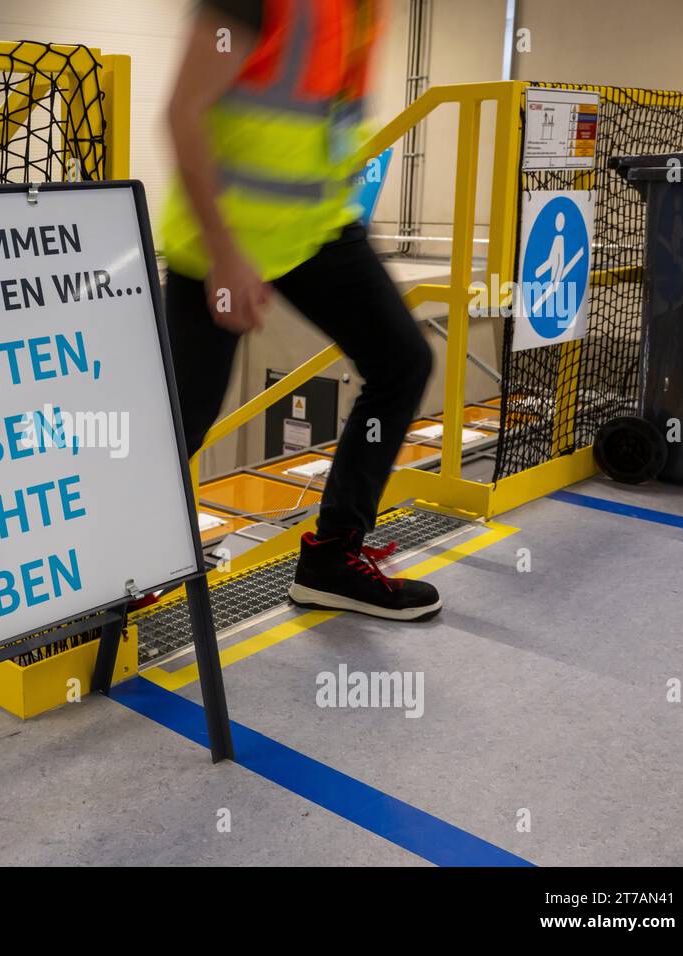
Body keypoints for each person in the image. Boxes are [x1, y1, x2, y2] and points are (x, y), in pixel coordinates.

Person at [163, 0, 441, 620]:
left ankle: (331, 562)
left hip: (315, 231)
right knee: (185, 416)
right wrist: (224, 256)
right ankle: (100, 587)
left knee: (402, 363)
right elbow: (183, 113)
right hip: (220, 239)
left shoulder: (362, 10)